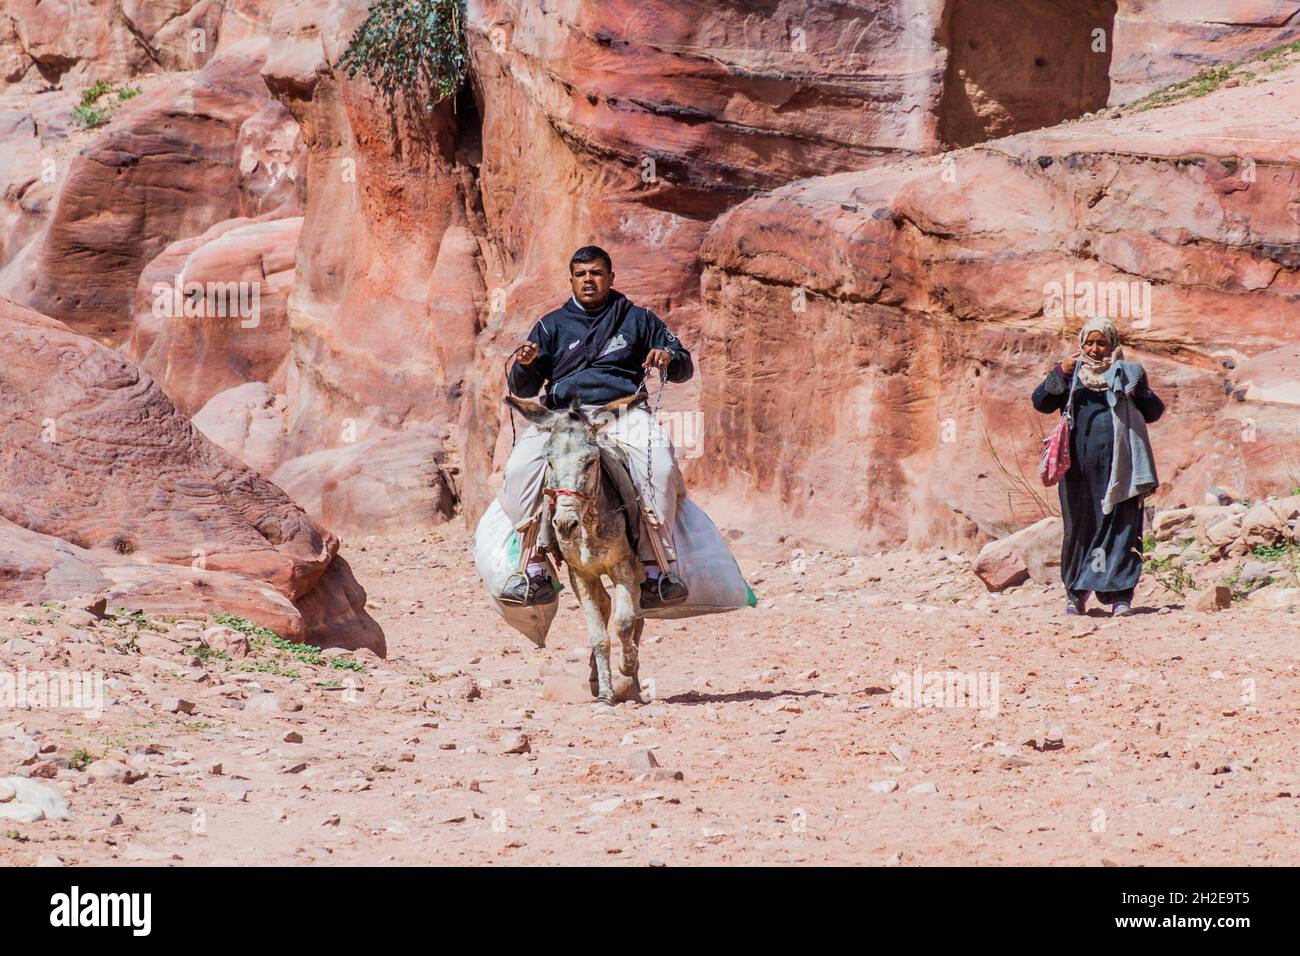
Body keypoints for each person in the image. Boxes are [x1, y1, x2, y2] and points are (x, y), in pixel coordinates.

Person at [498, 245, 694, 609]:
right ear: (572, 279)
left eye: (597, 273)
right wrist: (525, 365)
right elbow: (521, 388)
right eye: (582, 274)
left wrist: (668, 357)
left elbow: (684, 368)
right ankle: (533, 569)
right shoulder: (550, 325)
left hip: (622, 412)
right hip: (565, 417)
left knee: (661, 466)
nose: (589, 280)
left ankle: (658, 571)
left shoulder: (639, 319)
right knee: (520, 469)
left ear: (610, 277)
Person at [1031, 317, 1165, 617]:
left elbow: (1154, 412)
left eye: (1101, 342)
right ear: (1081, 344)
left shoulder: (1129, 373)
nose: (1095, 348)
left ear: (1113, 344)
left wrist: (1138, 387)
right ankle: (1076, 594)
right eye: (1089, 342)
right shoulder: (1072, 375)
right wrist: (1059, 374)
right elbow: (1040, 403)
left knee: (1122, 527)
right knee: (1080, 527)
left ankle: (1120, 597)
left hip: (1122, 468)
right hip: (1078, 471)